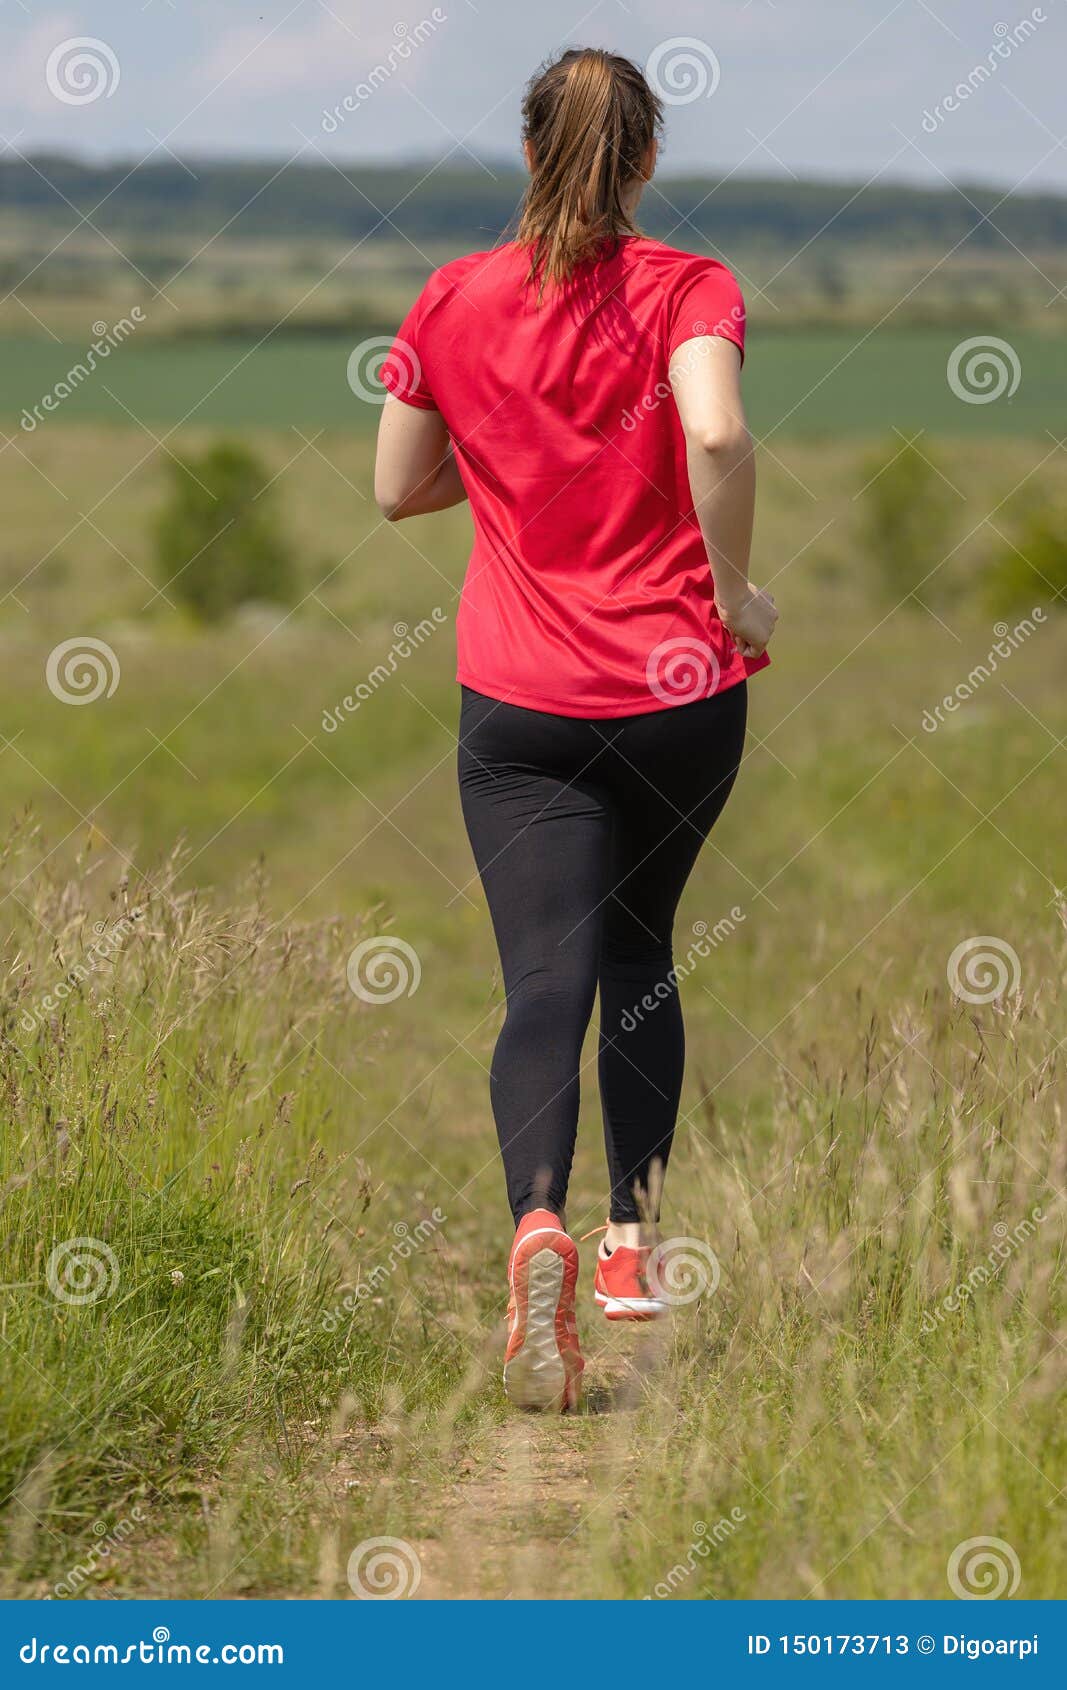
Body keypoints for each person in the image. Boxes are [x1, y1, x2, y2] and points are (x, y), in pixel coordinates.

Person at [375, 46, 778, 1412]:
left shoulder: (452, 296)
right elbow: (715, 438)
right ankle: (624, 1246)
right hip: (677, 689)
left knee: (543, 981)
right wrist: (735, 590)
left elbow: (396, 488)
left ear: (530, 151)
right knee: (642, 949)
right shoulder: (689, 285)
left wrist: (510, 470)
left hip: (522, 703)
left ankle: (533, 1218)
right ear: (647, 161)